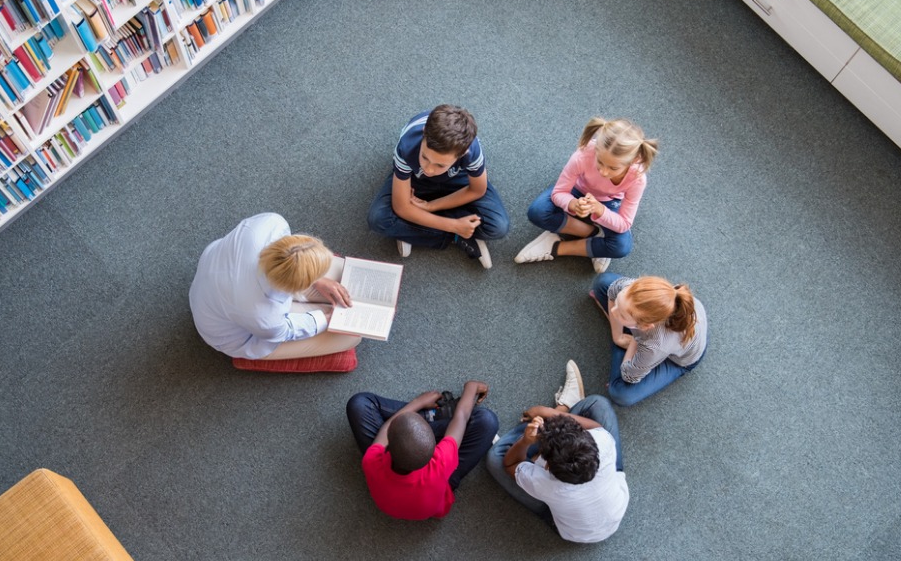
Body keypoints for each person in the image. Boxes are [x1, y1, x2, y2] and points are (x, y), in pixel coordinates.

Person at [486, 361, 629, 543]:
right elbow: (597, 427)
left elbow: (509, 464)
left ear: (546, 465)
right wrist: (546, 412)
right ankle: (558, 412)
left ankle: (553, 416)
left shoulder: (546, 485)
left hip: (569, 529)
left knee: (495, 458)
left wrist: (526, 440)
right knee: (598, 404)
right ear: (589, 440)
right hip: (614, 510)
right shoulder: (603, 442)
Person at [188, 212, 361, 361]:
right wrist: (326, 319)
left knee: (343, 277)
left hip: (219, 279)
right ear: (297, 287)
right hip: (239, 331)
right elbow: (286, 330)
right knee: (350, 339)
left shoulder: (270, 224)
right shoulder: (264, 317)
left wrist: (318, 279)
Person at [367, 105, 510, 269]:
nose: (429, 169)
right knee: (378, 219)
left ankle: (412, 228)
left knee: (498, 226)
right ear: (423, 137)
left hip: (458, 178)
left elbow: (477, 190)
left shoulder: (472, 150)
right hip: (415, 179)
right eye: (425, 157)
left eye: (439, 165)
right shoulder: (407, 146)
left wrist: (429, 206)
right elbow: (401, 207)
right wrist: (454, 226)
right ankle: (457, 236)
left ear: (462, 154)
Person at [514, 117, 658, 273]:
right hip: (577, 190)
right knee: (537, 212)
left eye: (613, 168)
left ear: (634, 160)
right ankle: (594, 235)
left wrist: (600, 211)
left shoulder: (637, 178)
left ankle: (556, 247)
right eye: (600, 162)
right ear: (596, 149)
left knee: (621, 247)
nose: (603, 172)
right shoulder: (583, 154)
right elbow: (559, 192)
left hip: (609, 202)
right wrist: (572, 204)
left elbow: (624, 223)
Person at [346, 381, 498, 520]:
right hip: (441, 485)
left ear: (387, 447)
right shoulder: (440, 462)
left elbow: (388, 428)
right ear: (434, 450)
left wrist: (418, 402)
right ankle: (432, 417)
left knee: (359, 403)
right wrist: (471, 387)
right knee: (487, 420)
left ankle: (425, 416)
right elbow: (462, 416)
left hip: (395, 491)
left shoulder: (372, 460)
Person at [590, 273, 708, 406]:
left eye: (621, 314)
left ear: (645, 326)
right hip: (656, 335)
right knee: (602, 282)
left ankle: (631, 340)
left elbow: (629, 375)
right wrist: (618, 337)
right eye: (616, 304)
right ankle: (627, 333)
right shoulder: (628, 288)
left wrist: (637, 340)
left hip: (681, 358)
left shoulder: (654, 345)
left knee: (620, 394)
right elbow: (613, 291)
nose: (613, 311)